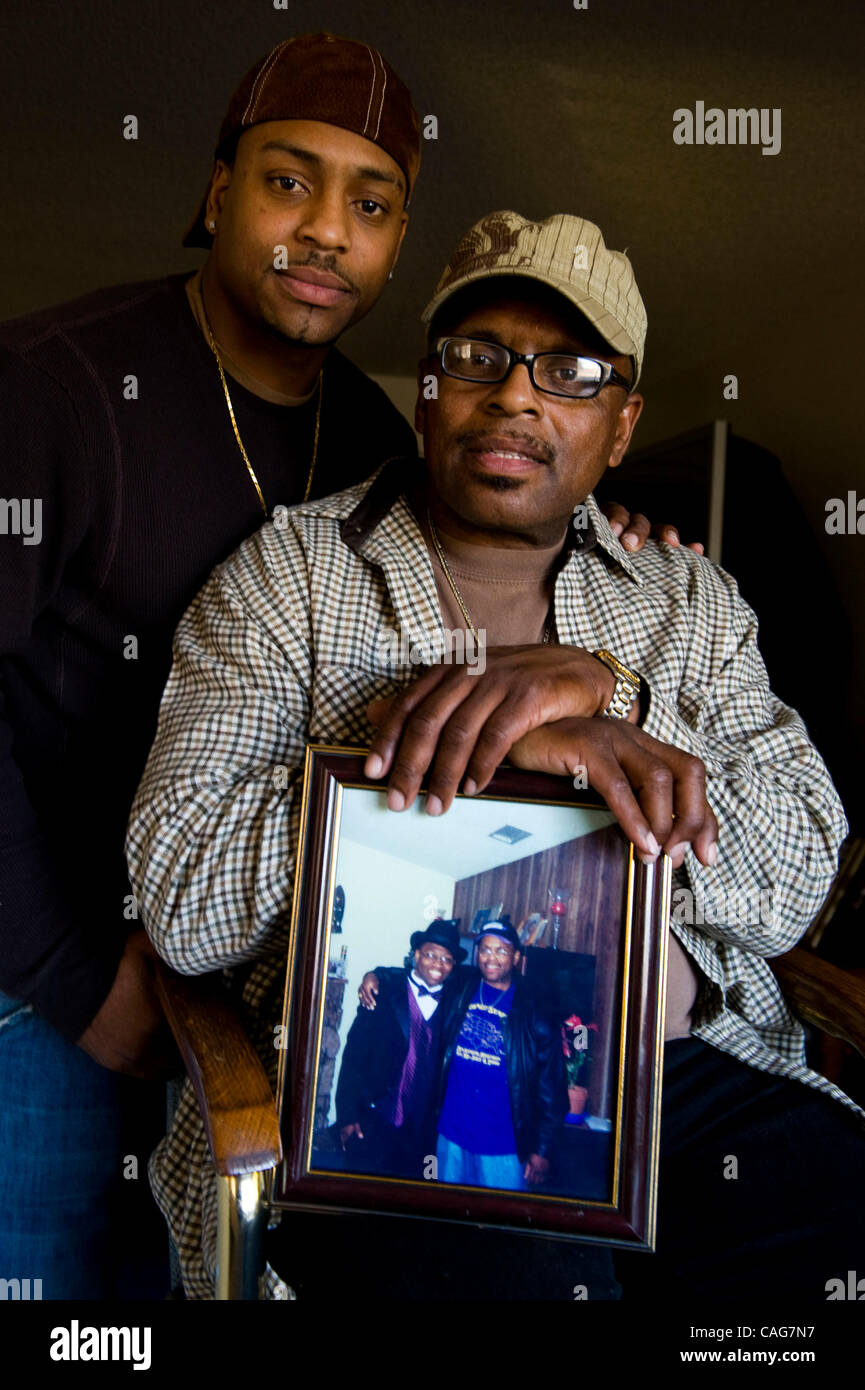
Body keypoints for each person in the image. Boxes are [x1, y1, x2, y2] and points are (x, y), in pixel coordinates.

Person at [127, 206, 859, 1302]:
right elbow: (179, 890)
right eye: (478, 357)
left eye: (569, 370)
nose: (515, 393)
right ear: (427, 390)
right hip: (383, 1105)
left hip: (690, 1081)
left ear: (620, 427)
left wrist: (625, 701)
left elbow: (800, 870)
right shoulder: (289, 578)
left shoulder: (690, 603)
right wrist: (469, 737)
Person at [0, 30, 421, 1298]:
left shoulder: (380, 443)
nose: (327, 232)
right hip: (36, 974)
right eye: (290, 181)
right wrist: (80, 979)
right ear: (216, 193)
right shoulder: (50, 389)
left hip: (241, 986)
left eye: (372, 203)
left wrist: (628, 540)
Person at [433, 922, 563, 1191]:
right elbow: (416, 976)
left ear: (516, 958)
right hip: (450, 1136)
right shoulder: (460, 988)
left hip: (504, 1147)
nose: (491, 958)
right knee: (444, 1218)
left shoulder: (535, 1010)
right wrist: (376, 976)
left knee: (500, 1225)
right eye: (485, 950)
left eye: (501, 951)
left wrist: (543, 1150)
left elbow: (552, 1088)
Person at [333, 920, 465, 1179]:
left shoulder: (455, 1004)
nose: (438, 964)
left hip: (423, 1131)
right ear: (416, 955)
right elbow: (354, 1057)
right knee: (360, 1200)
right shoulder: (382, 992)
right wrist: (347, 1116)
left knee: (413, 1205)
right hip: (372, 1119)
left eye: (447, 959)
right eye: (430, 955)